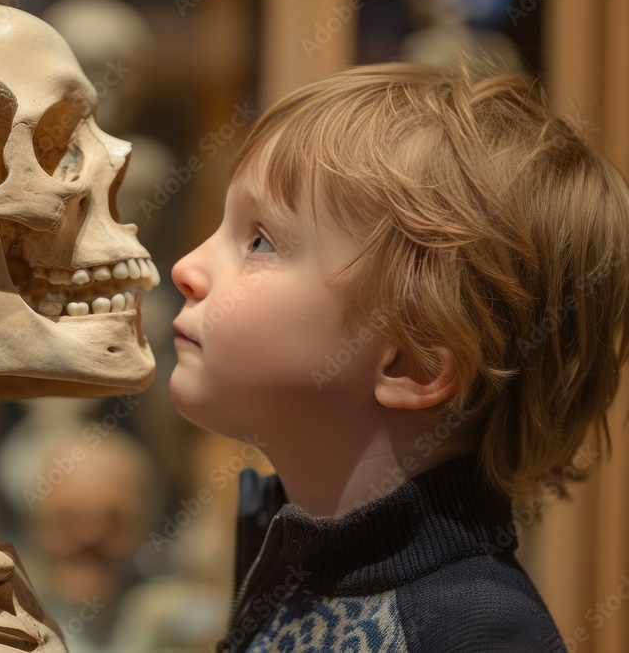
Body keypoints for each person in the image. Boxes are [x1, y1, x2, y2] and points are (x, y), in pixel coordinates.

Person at [169, 62, 629, 652]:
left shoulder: (477, 633)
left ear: (411, 361)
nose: (186, 268)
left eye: (260, 240)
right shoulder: (293, 563)